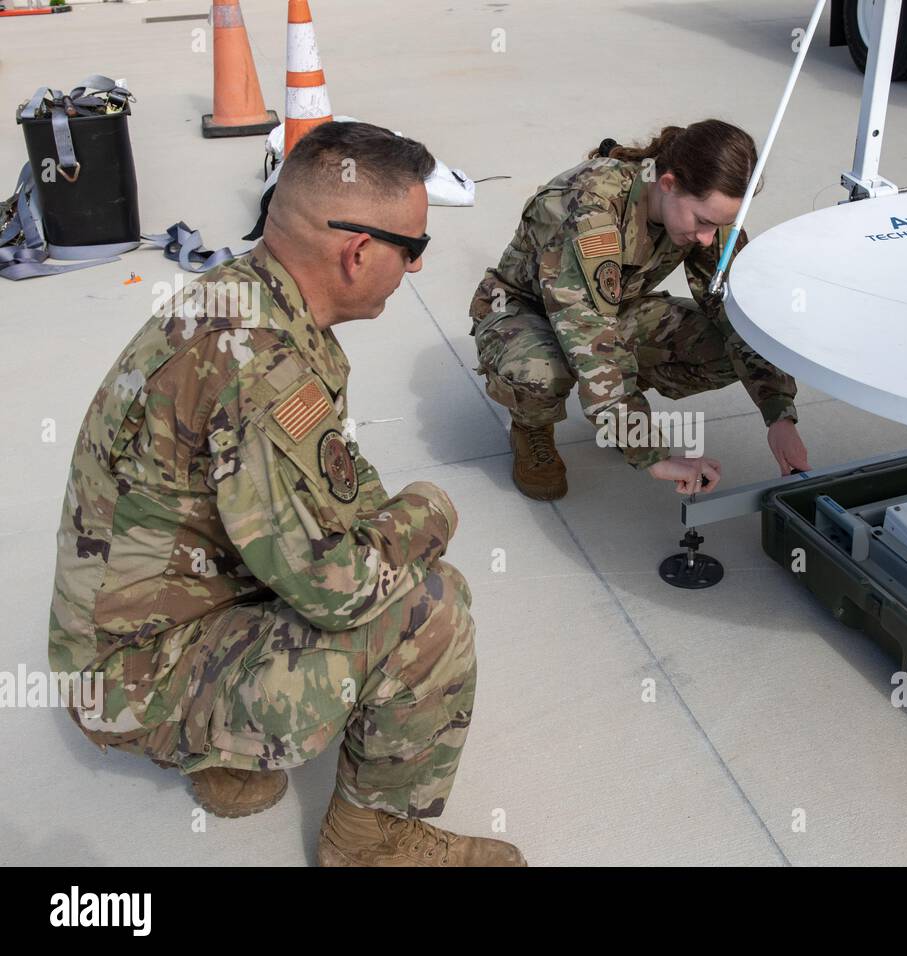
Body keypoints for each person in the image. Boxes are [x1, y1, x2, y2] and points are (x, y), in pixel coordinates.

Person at [47, 121, 524, 867]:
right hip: (132, 678)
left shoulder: (246, 300)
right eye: (414, 249)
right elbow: (340, 589)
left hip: (152, 619)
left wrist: (380, 522)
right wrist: (431, 510)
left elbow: (329, 482)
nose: (418, 269)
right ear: (357, 251)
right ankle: (369, 843)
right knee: (430, 606)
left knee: (373, 552)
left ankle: (227, 747)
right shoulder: (264, 369)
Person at [468, 119, 810, 501]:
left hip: (611, 310)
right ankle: (532, 426)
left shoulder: (704, 216)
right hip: (526, 311)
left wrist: (778, 413)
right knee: (540, 374)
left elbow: (735, 311)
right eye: (702, 222)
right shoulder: (590, 208)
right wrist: (652, 455)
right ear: (668, 184)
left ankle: (618, 406)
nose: (707, 238)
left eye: (720, 225)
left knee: (722, 349)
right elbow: (588, 335)